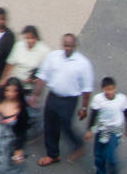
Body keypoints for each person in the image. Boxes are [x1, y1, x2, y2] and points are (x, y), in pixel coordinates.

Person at [32, 33, 93, 166]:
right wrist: (35, 95)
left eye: (70, 46)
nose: (67, 48)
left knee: (65, 126)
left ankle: (78, 144)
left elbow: (87, 89)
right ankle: (52, 154)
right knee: (49, 124)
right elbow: (42, 76)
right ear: (62, 44)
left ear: (75, 46)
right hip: (53, 96)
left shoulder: (83, 64)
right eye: (65, 45)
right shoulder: (53, 57)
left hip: (69, 100)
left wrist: (84, 108)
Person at [84, 77, 127, 174]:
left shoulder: (122, 99)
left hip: (114, 130)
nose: (110, 92)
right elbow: (93, 115)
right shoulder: (98, 99)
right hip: (101, 129)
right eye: (107, 90)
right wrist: (89, 130)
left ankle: (113, 170)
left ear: (115, 89)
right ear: (103, 89)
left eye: (112, 89)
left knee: (109, 154)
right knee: (98, 155)